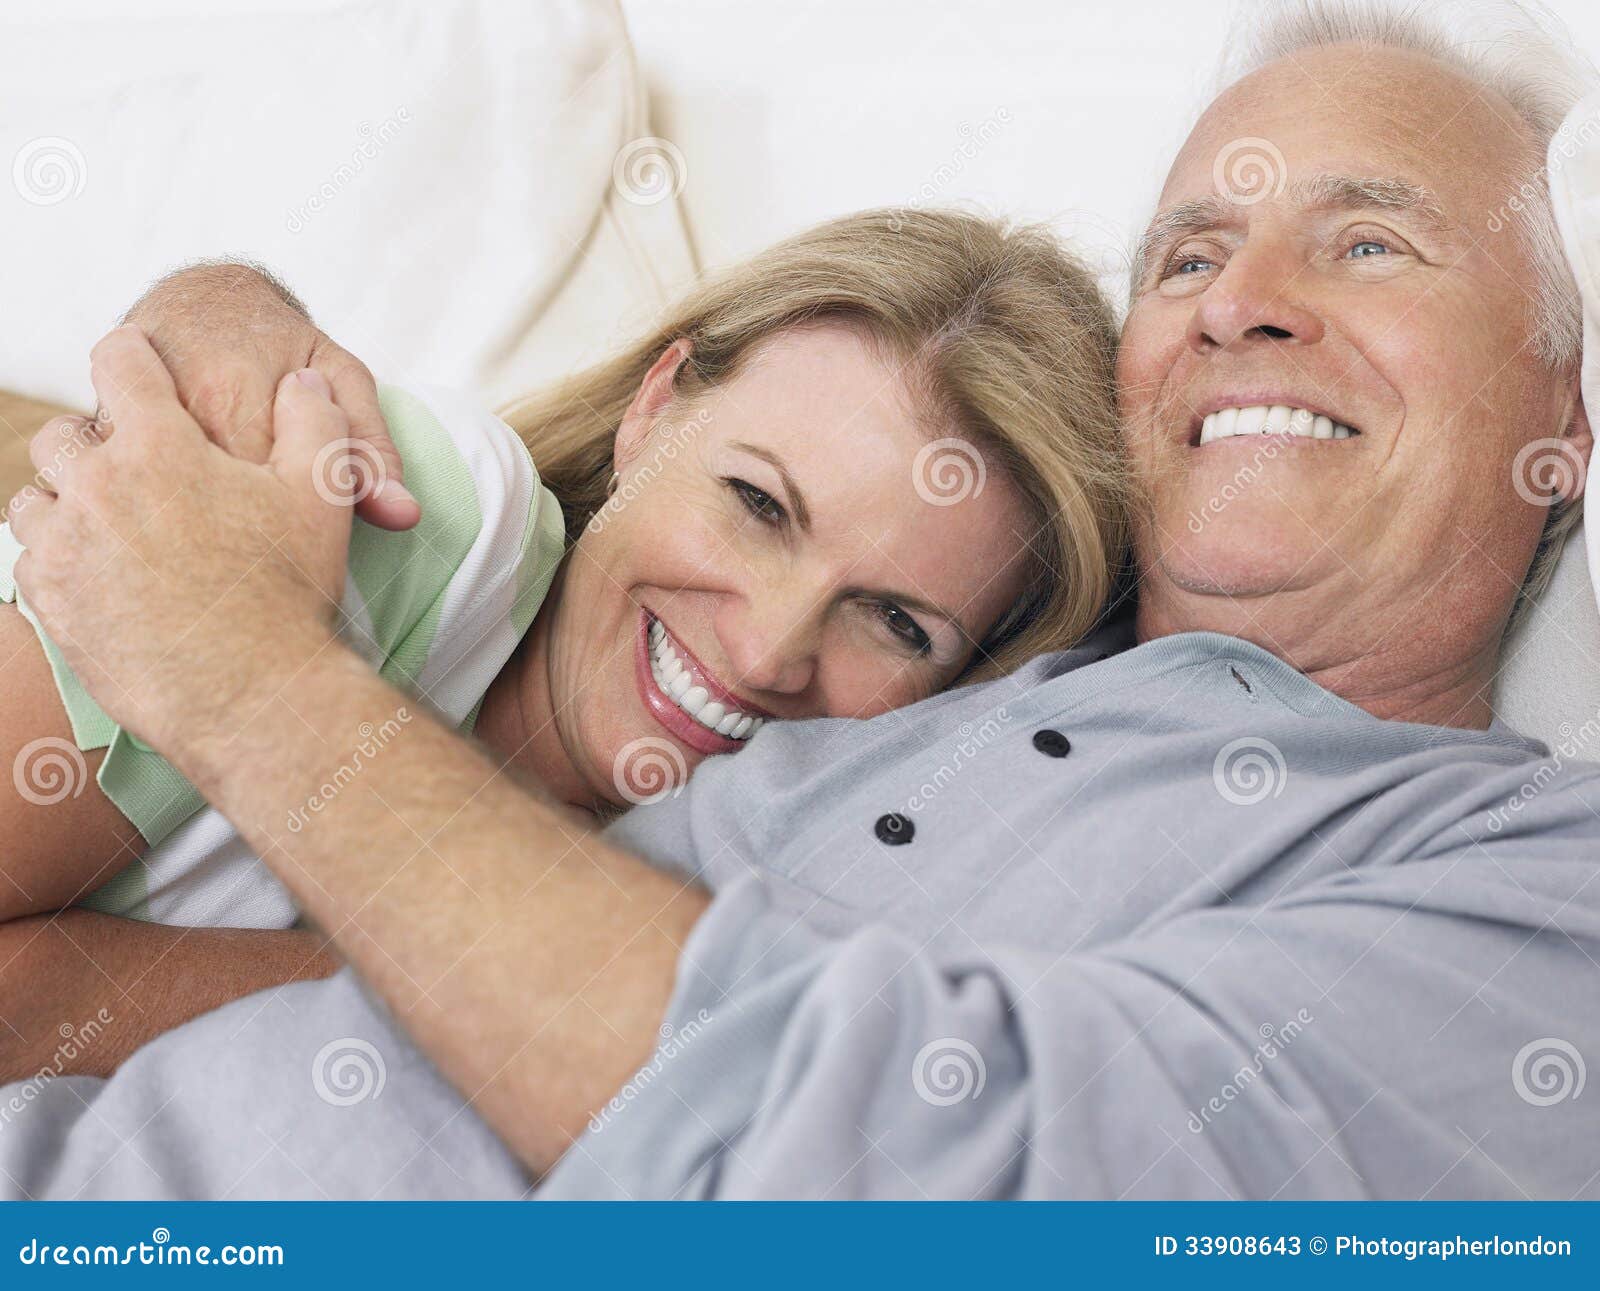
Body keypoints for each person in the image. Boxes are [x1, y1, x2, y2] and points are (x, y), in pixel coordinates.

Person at [2, 0, 1598, 1200]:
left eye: (1371, 242)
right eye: (1184, 262)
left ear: (1569, 407)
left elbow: (909, 1182)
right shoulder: (975, 647)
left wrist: (251, 677)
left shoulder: (1535, 881)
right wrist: (214, 329)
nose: (1242, 305)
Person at [0, 209, 1128, 1063]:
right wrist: (507, 965)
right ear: (655, 412)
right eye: (757, 504)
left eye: (896, 621)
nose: (764, 653)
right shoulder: (422, 516)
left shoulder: (779, 904)